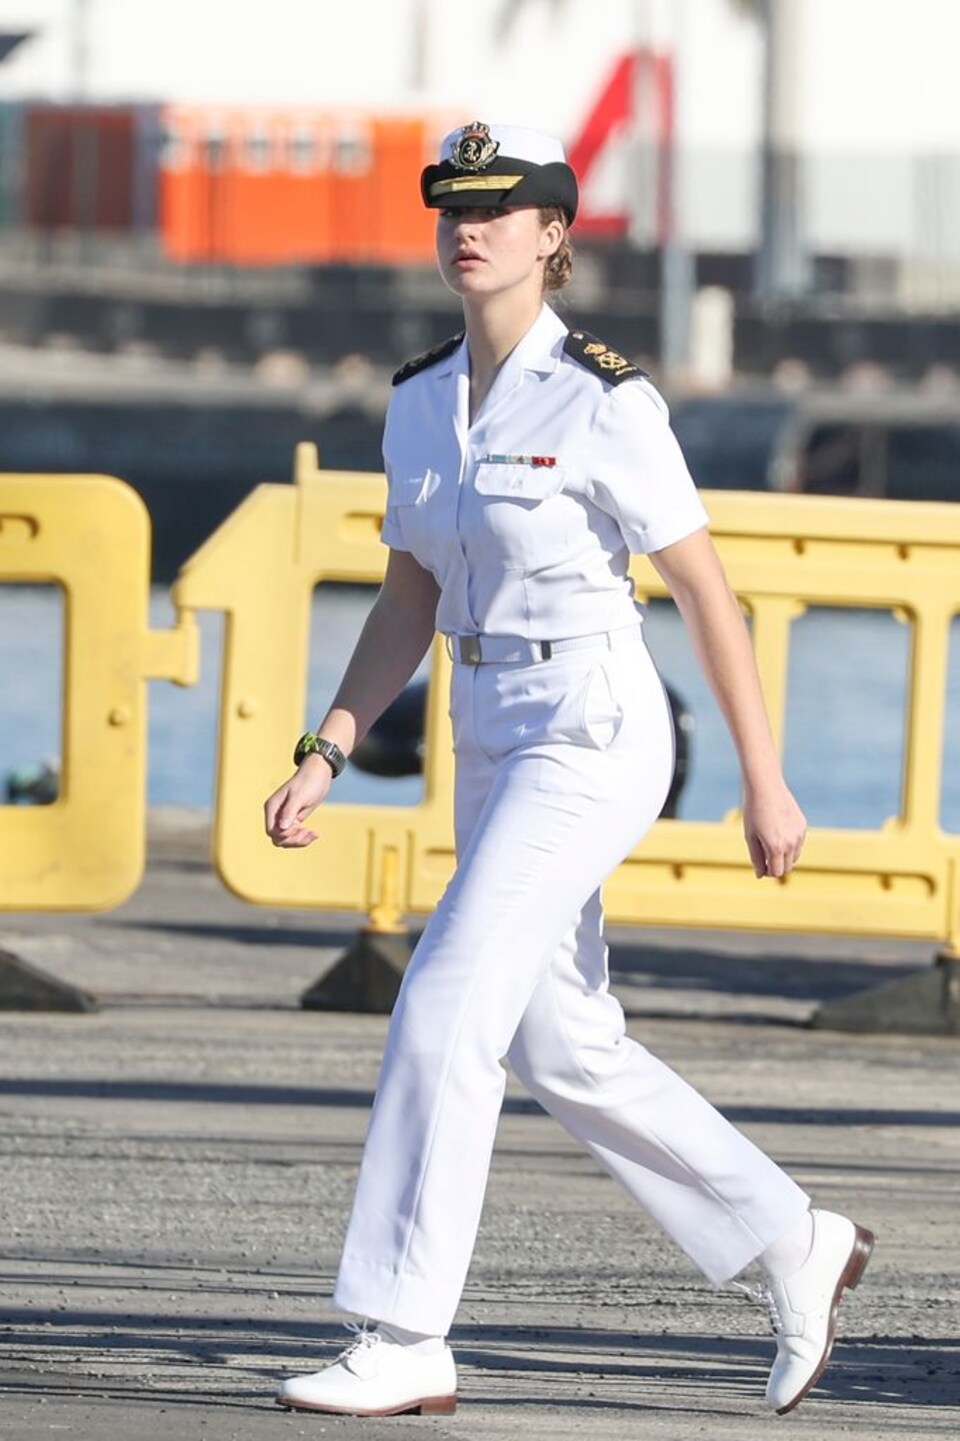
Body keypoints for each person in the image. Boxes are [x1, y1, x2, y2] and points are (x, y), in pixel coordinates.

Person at [264, 121, 873, 1420]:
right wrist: (325, 745)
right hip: (484, 721)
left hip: (593, 720)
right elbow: (410, 593)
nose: (467, 228)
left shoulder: (605, 397)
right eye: (451, 208)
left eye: (499, 209)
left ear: (555, 237)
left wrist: (766, 779)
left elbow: (707, 593)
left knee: (444, 995)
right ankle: (789, 1238)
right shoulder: (419, 397)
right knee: (559, 1038)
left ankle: (404, 1327)